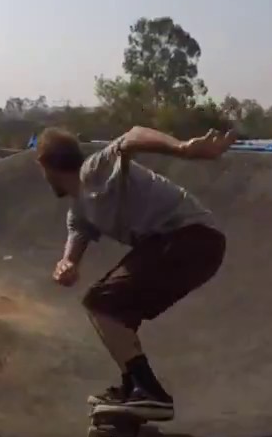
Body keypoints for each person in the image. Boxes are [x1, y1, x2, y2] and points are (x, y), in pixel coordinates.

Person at [35, 125, 236, 421]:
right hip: (186, 245)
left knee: (101, 303)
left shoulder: (93, 170)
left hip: (190, 238)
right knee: (116, 311)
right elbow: (77, 236)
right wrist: (67, 263)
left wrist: (182, 148)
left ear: (45, 165)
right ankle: (133, 388)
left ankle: (150, 393)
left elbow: (132, 136)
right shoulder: (79, 208)